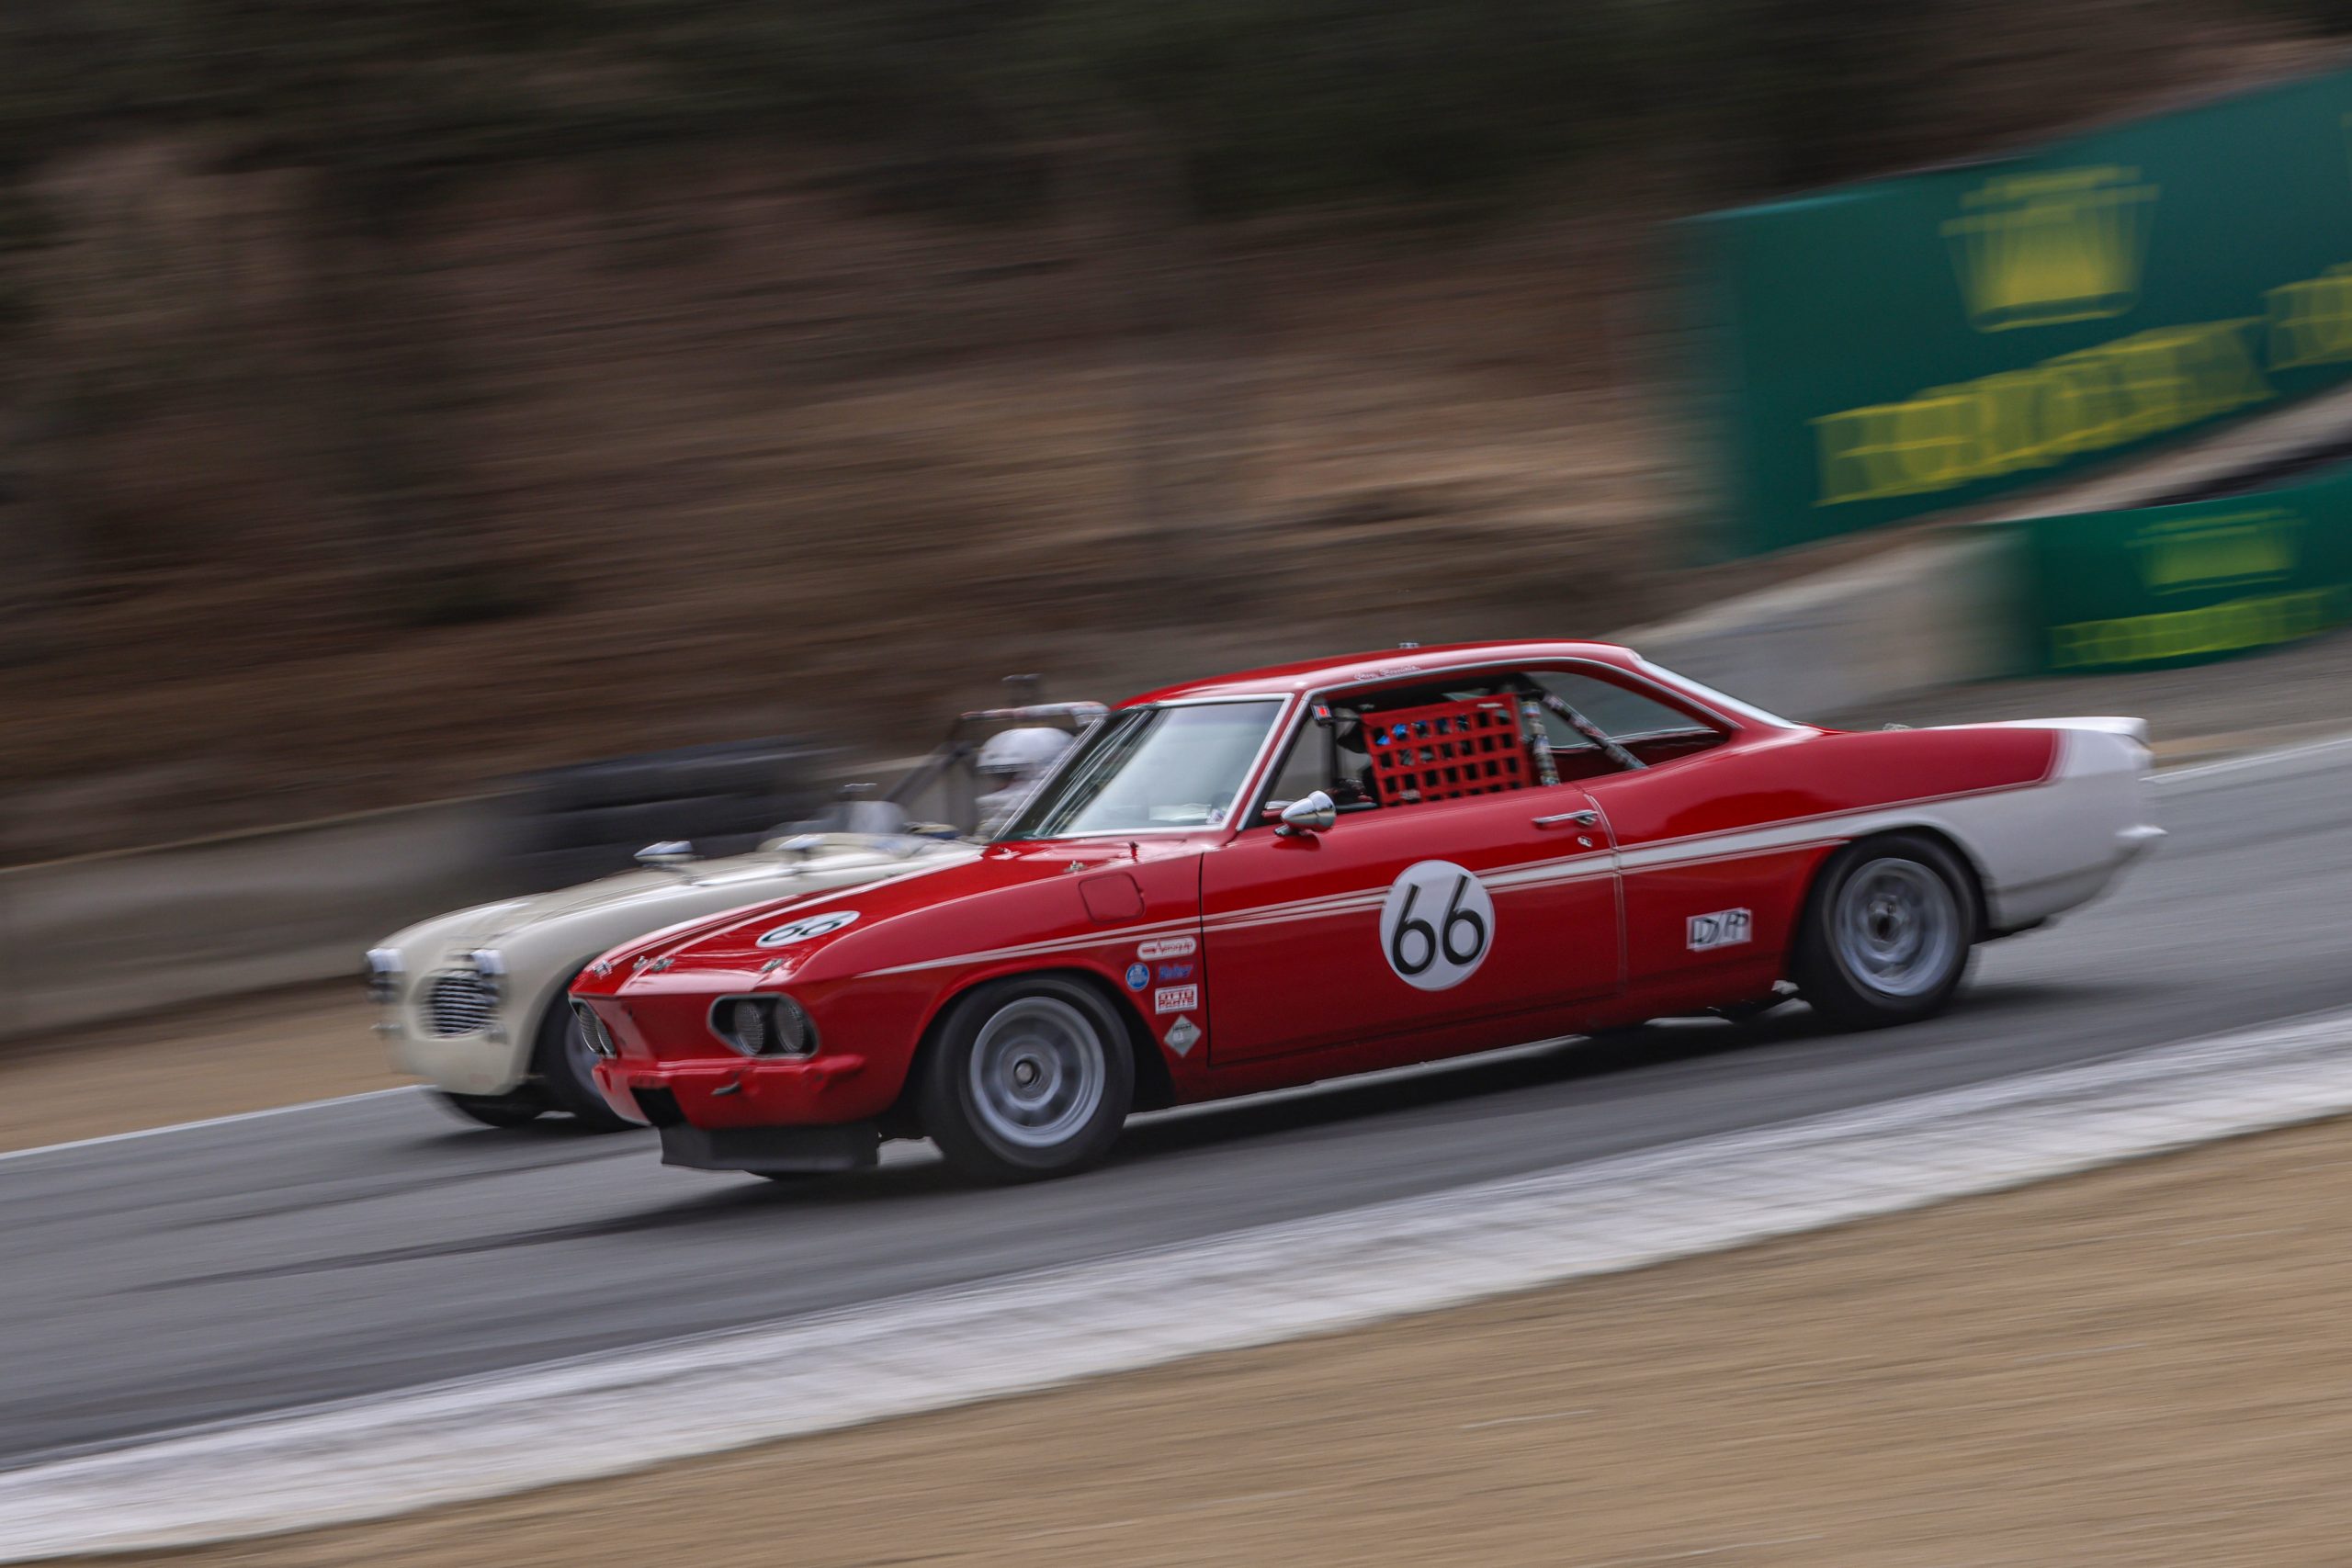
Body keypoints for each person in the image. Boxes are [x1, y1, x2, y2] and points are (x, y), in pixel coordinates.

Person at [973, 726, 1074, 833]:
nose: (1001, 786)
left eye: (1012, 776)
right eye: (999, 777)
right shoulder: (993, 831)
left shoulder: (1073, 822)